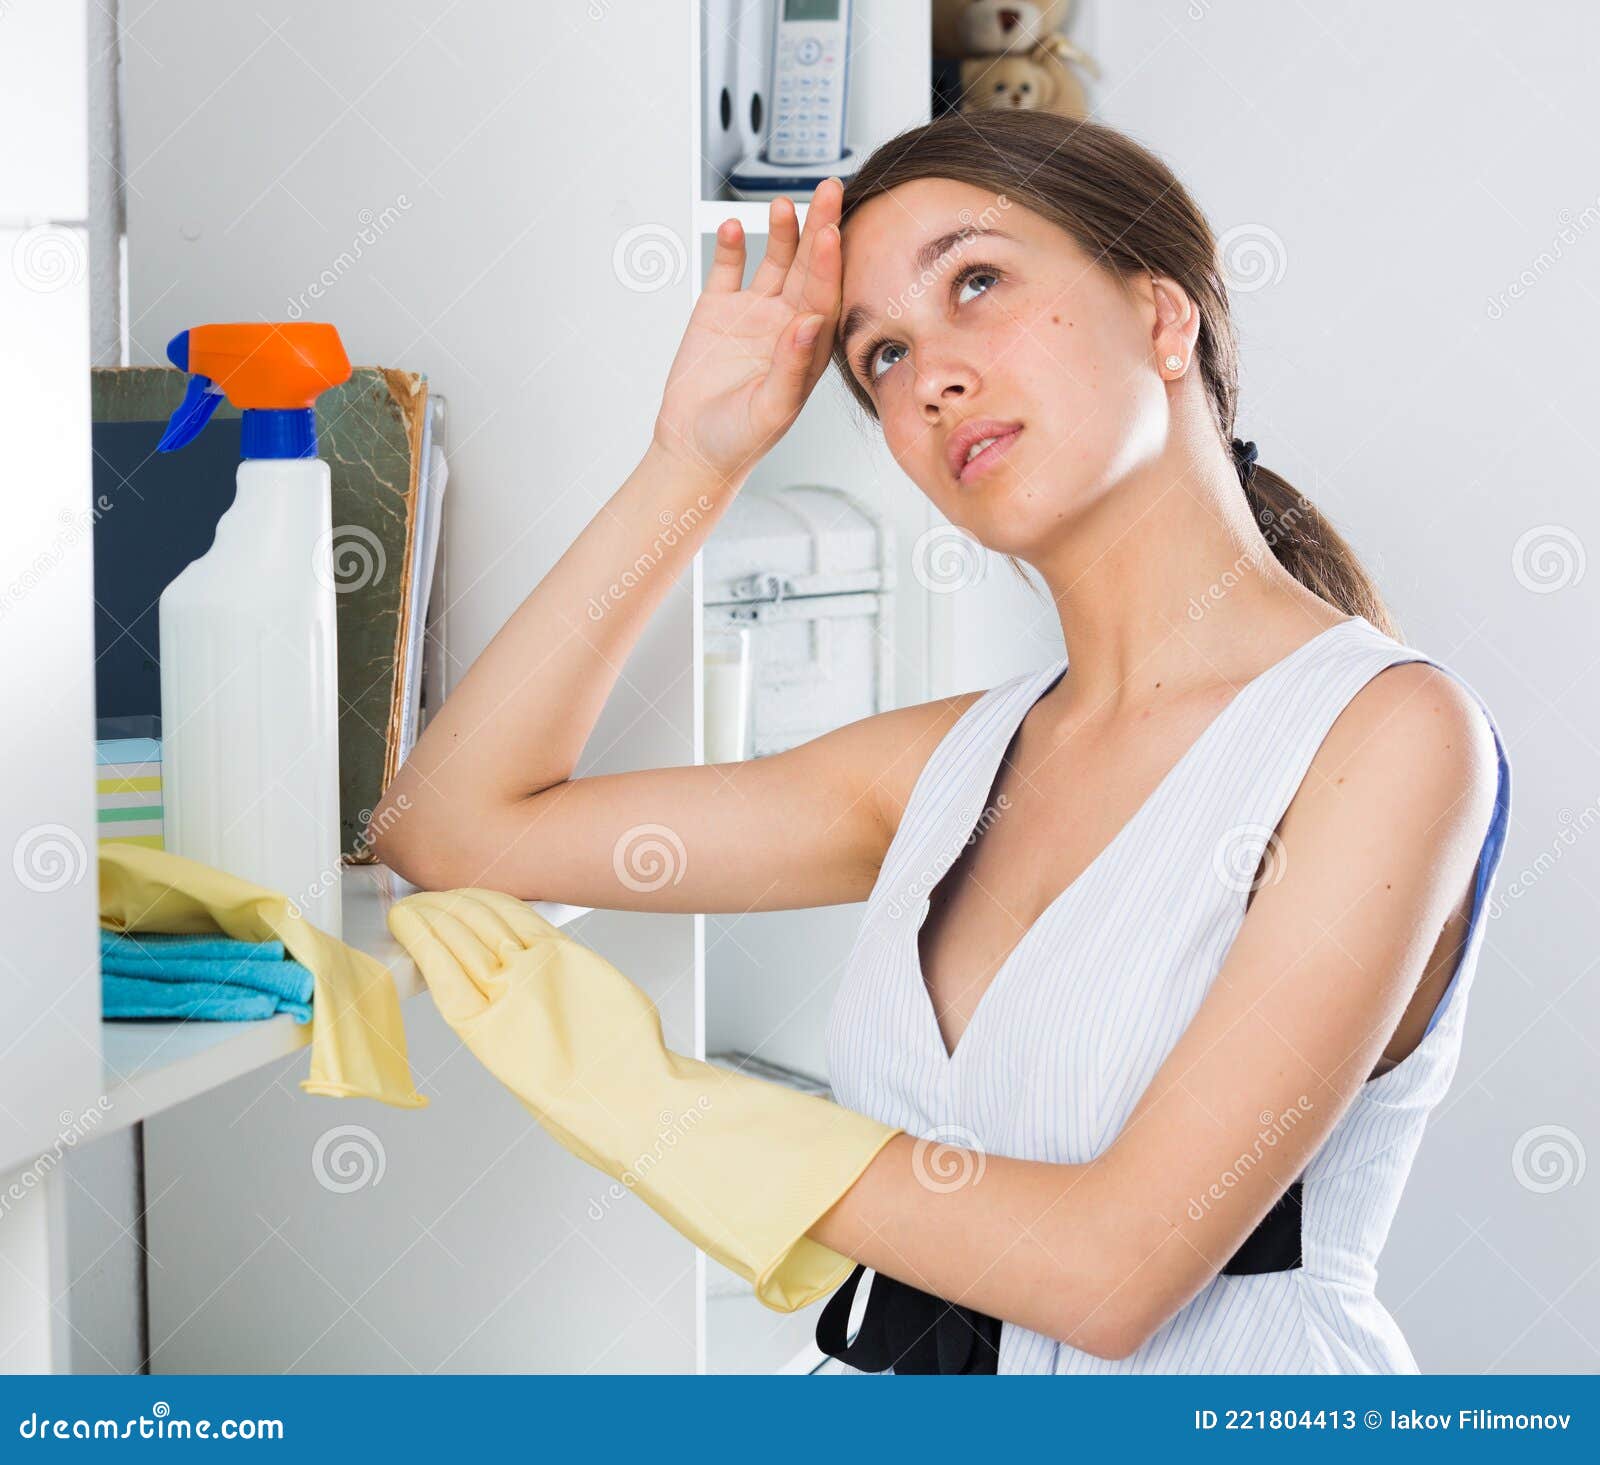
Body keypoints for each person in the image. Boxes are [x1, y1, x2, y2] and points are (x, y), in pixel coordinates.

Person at [372, 110, 1511, 1373]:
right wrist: (692, 459)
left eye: (978, 282)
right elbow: (448, 830)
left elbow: (1115, 1271)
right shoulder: (940, 771)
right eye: (880, 357)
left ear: (1163, 317)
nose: (929, 377)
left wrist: (669, 1111)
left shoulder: (1387, 738)